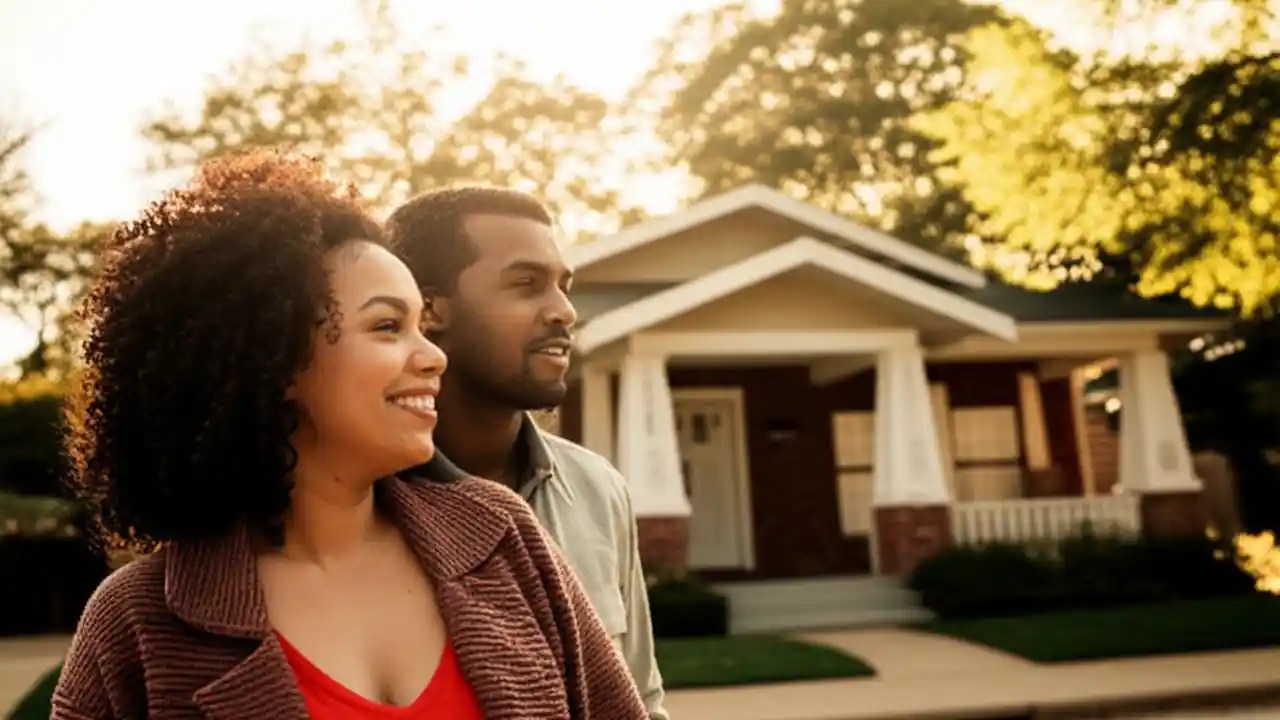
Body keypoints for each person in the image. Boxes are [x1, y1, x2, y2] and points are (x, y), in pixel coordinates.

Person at [52, 152, 647, 720]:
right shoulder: (138, 622)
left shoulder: (503, 538)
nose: (432, 356)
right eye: (388, 326)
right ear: (273, 357)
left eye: (422, 325)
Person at [386, 187, 669, 719]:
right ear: (428, 312)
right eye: (526, 285)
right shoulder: (357, 502)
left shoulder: (596, 489)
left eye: (565, 287)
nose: (564, 311)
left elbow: (642, 698)